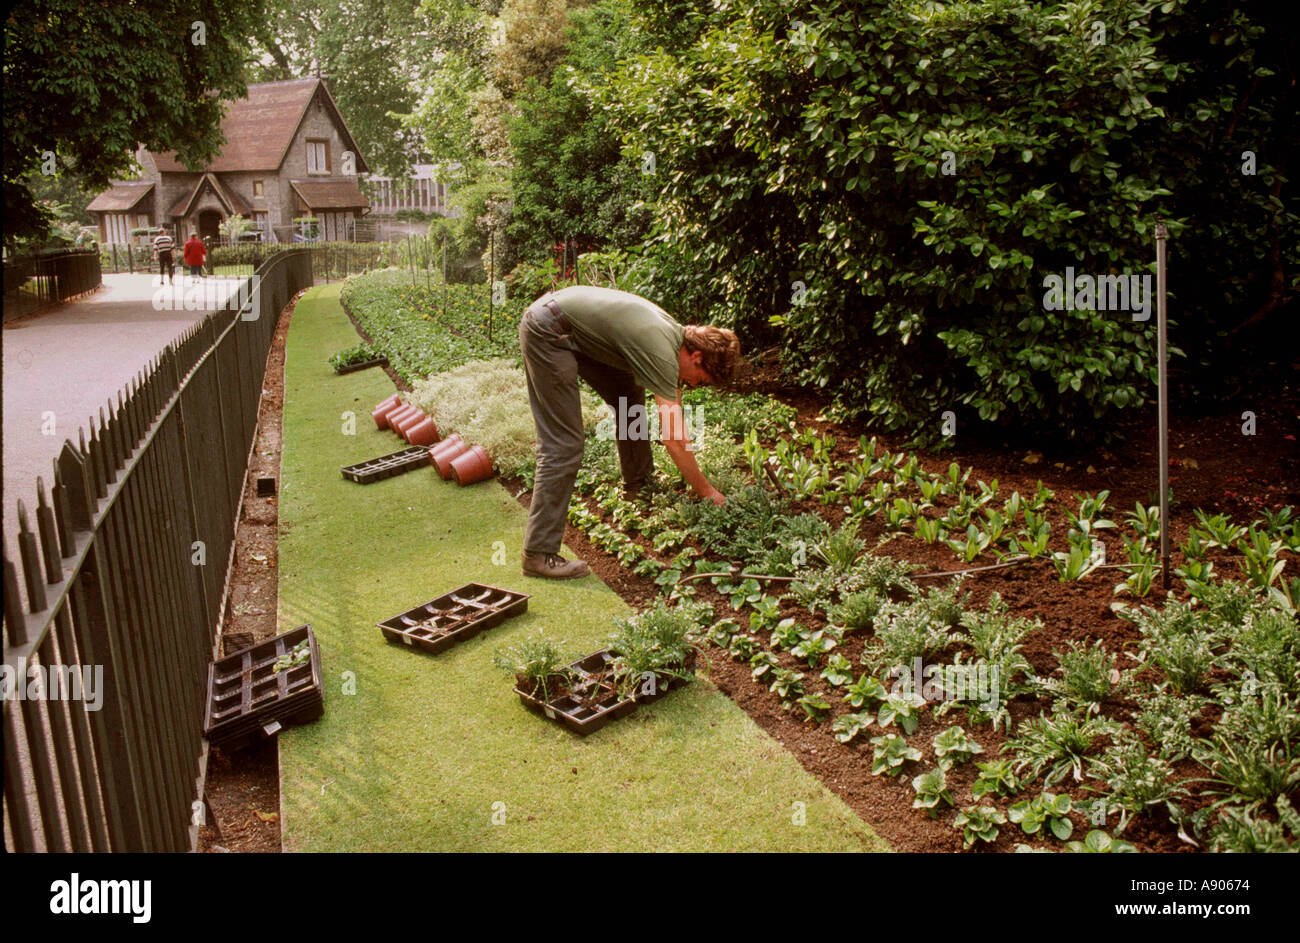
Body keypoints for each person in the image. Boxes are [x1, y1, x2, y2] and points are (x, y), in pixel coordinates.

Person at [518, 285, 741, 579]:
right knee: (563, 444)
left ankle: (638, 482)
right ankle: (538, 554)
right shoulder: (662, 350)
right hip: (548, 331)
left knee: (627, 393)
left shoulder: (674, 339)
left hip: (567, 325)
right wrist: (707, 492)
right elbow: (674, 438)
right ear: (696, 356)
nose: (696, 385)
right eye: (700, 379)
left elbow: (673, 408)